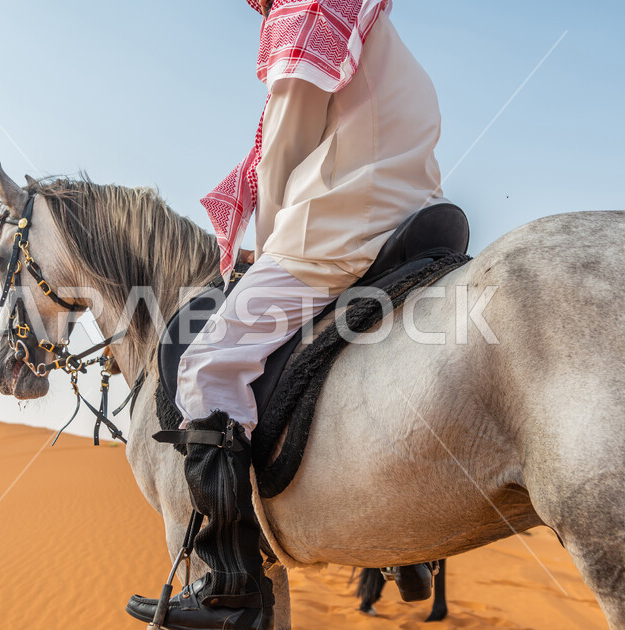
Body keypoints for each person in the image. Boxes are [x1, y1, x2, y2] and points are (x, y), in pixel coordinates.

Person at [127, 1, 445, 628]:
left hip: (343, 226)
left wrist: (267, 253)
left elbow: (284, 155)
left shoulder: (305, 13)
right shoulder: (369, 21)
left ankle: (232, 584)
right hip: (412, 215)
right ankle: (401, 547)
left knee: (206, 370)